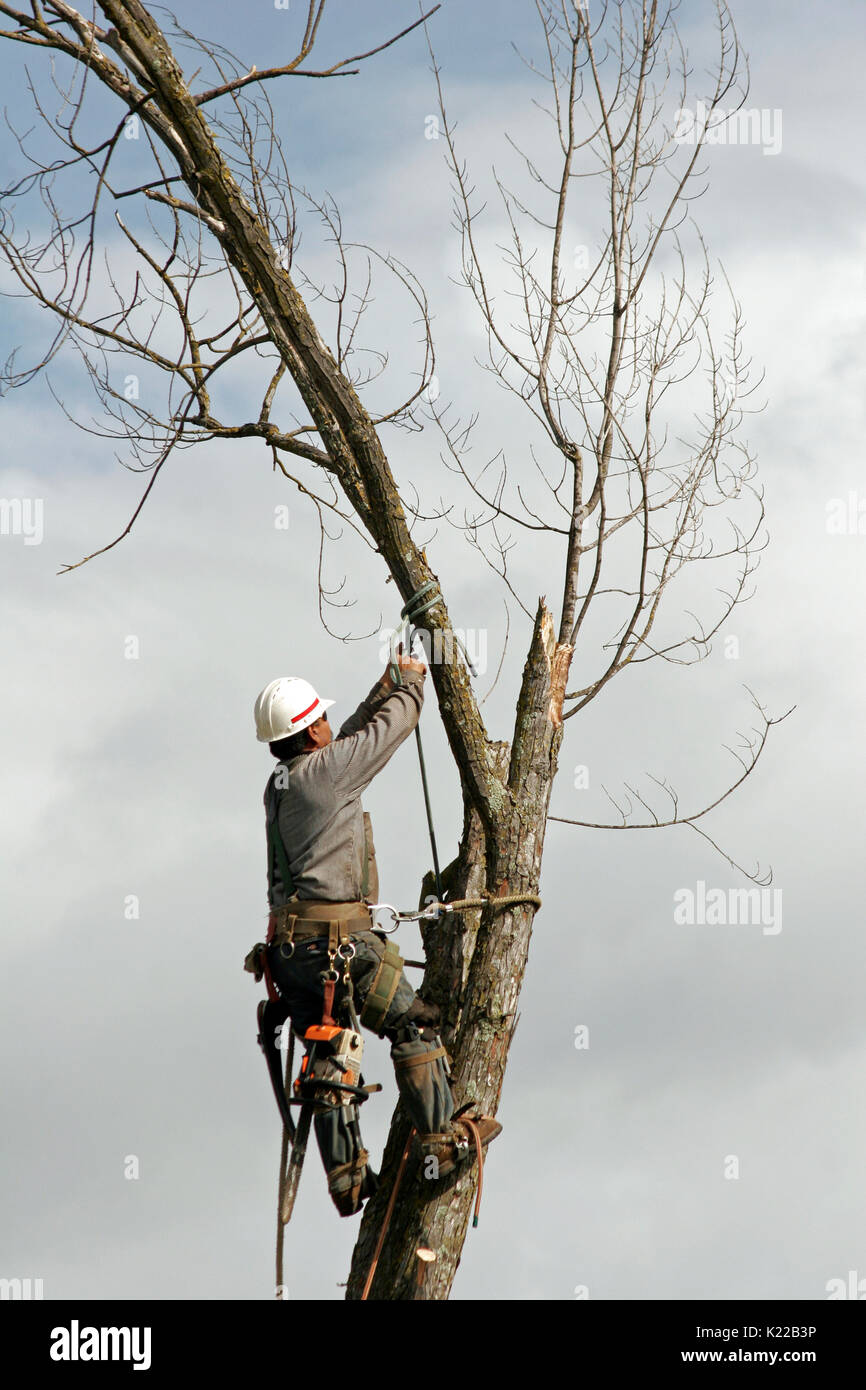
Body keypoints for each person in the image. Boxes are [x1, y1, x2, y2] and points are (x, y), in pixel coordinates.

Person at [250, 654, 501, 1215]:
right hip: (339, 949)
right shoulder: (330, 772)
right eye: (321, 721)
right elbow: (387, 732)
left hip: (291, 958)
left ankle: (347, 1177)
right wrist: (411, 684)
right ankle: (440, 1141)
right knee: (413, 1021)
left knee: (331, 1044)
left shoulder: (282, 783)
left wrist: (382, 683)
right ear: (310, 728)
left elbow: (347, 738)